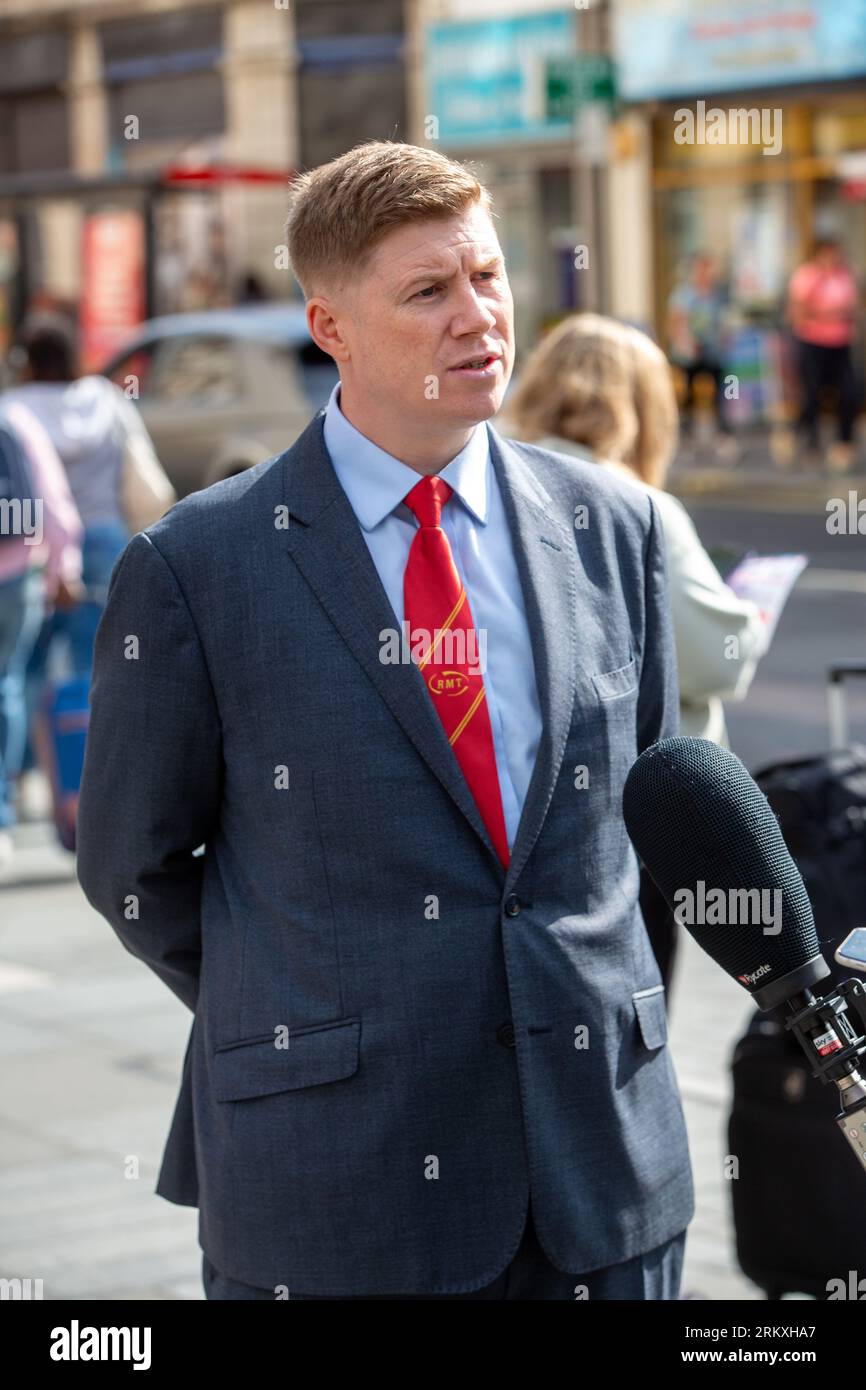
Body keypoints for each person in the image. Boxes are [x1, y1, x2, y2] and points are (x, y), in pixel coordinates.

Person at [76, 140, 694, 1301]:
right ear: (330, 326)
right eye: (427, 290)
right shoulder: (198, 565)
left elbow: (645, 825)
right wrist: (311, 1002)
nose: (479, 316)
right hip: (338, 1192)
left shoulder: (614, 525)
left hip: (602, 1182)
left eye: (489, 276)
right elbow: (130, 867)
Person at [502, 313, 767, 994]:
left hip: (513, 811)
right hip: (632, 821)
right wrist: (752, 618)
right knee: (628, 1024)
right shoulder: (637, 504)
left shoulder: (489, 486)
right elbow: (715, 658)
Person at [2, 314, 173, 711]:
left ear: (25, 360)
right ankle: (86, 764)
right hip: (105, 539)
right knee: (99, 668)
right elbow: (141, 469)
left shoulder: (13, 410)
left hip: (33, 551)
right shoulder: (105, 398)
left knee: (25, 672)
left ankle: (25, 767)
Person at [0, 400, 83, 864]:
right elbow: (53, 503)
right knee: (7, 685)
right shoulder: (14, 418)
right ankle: (2, 817)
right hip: (15, 574)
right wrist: (61, 568)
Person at [787, 237, 861, 471]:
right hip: (813, 341)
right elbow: (799, 310)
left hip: (840, 342)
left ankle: (845, 443)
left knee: (850, 392)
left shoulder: (845, 276)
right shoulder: (807, 276)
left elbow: (854, 306)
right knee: (812, 394)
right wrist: (825, 313)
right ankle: (811, 442)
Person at [667, 253, 735, 454]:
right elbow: (676, 322)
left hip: (713, 351)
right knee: (688, 392)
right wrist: (684, 344)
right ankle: (687, 434)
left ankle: (723, 434)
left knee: (721, 393)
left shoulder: (718, 294)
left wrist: (725, 341)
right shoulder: (684, 294)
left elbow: (725, 321)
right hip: (689, 352)